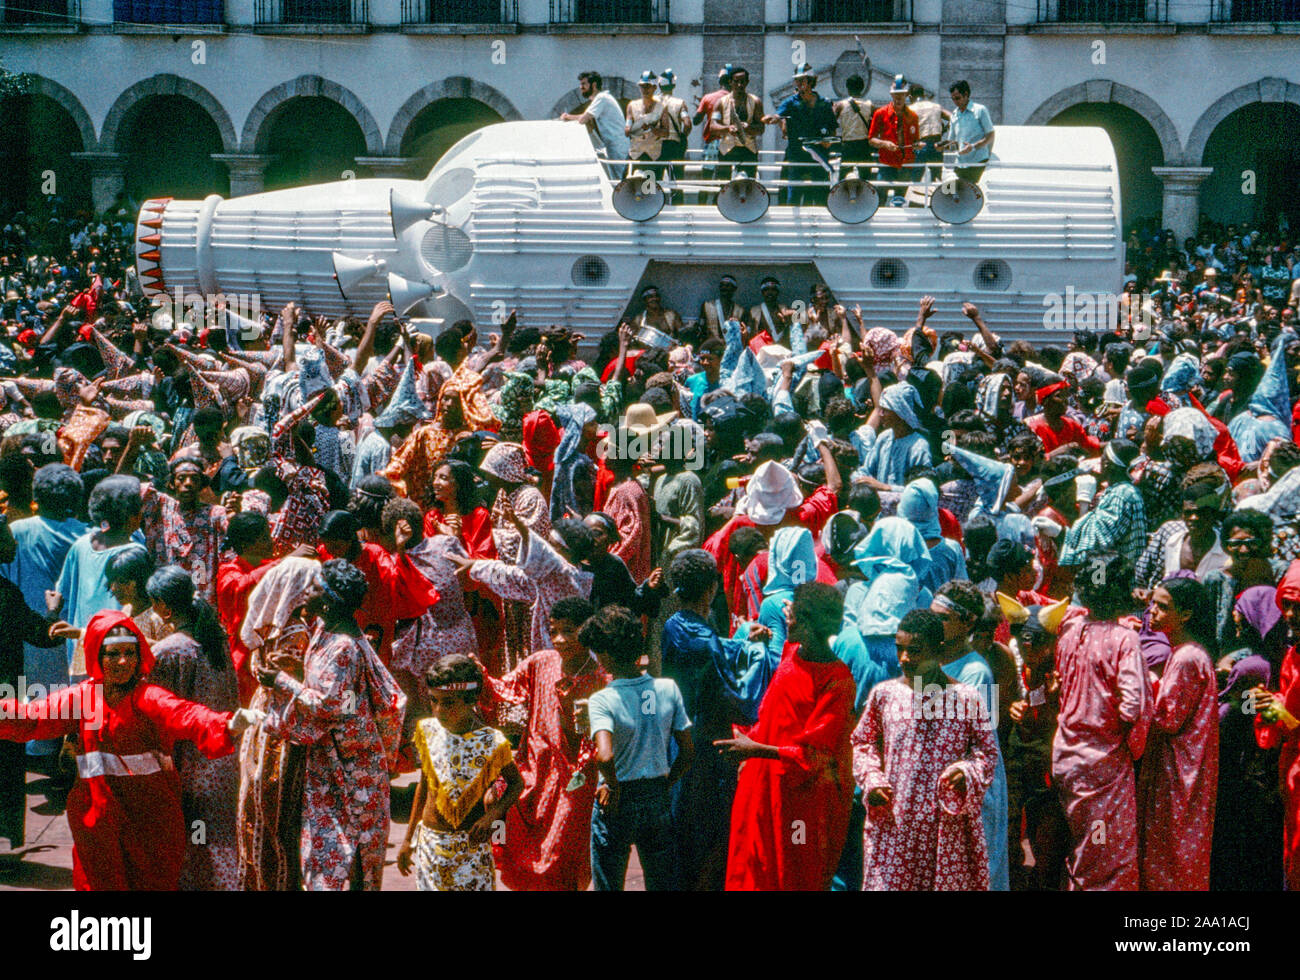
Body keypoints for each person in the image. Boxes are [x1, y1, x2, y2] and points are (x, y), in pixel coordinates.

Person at [0, 609, 259, 890]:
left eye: (129, 653)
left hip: (149, 818)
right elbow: (34, 717)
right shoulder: (84, 697)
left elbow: (183, 714)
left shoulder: (147, 697)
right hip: (96, 817)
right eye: (113, 654)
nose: (122, 661)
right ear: (98, 656)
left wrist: (226, 724)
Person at [255, 559, 406, 890]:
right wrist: (296, 672)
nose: (305, 592)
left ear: (327, 600)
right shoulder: (326, 630)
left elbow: (331, 705)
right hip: (331, 761)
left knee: (351, 852)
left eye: (313, 588)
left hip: (352, 767)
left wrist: (281, 681)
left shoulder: (344, 647)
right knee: (330, 849)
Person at [719, 582, 857, 890]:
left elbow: (816, 755)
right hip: (763, 784)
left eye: (792, 615)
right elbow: (772, 712)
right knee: (753, 863)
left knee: (794, 868)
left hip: (801, 801)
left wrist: (755, 749)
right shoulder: (791, 652)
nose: (786, 619)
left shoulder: (838, 681)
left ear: (808, 623)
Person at [855, 607, 999, 890]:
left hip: (945, 832)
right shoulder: (884, 695)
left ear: (938, 649)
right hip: (896, 827)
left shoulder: (967, 698)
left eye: (915, 650)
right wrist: (872, 780)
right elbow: (863, 742)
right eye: (900, 649)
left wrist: (966, 772)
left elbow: (988, 753)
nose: (904, 658)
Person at [1052, 552, 1153, 890]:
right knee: (1105, 854)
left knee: (1086, 845)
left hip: (1067, 758)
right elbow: (1133, 707)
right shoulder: (1124, 639)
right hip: (1103, 765)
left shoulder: (1069, 632)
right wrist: (1131, 746)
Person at [145, 565, 241, 890]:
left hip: (189, 768)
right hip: (224, 760)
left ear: (164, 608)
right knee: (219, 841)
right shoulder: (216, 638)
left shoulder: (168, 652)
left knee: (194, 842)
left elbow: (155, 709)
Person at [585, 605, 694, 891]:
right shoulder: (668, 688)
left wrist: (612, 784)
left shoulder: (602, 700)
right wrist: (667, 783)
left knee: (608, 881)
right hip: (656, 792)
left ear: (605, 655)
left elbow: (605, 756)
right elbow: (687, 751)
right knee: (662, 880)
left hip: (618, 797)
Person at [398, 655, 522, 891]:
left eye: (448, 703)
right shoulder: (427, 731)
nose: (439, 710)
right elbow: (425, 787)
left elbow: (516, 784)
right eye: (434, 700)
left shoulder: (491, 742)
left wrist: (492, 815)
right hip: (430, 845)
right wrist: (407, 840)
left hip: (471, 849)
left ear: (470, 700)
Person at [236, 556, 320, 891]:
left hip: (261, 720)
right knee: (281, 814)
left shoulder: (267, 628)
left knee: (255, 807)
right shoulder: (298, 633)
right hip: (284, 727)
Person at [1139, 577, 1219, 890]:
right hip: (1185, 768)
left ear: (1185, 615)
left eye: (1162, 606)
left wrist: (1143, 681)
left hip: (1179, 773)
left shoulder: (1186, 657)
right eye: (1152, 604)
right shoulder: (1188, 652)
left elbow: (1167, 719)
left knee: (1172, 847)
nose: (1152, 611)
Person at [931, 580, 1010, 890]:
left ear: (966, 624)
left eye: (943, 618)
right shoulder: (932, 661)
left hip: (970, 786)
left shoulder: (975, 672)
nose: (934, 624)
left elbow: (972, 739)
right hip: (940, 783)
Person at [0, 514, 63, 850]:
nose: (14, 544)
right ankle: (8, 837)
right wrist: (53, 612)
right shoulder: (6, 594)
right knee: (7, 765)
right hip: (6, 696)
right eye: (7, 538)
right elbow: (42, 635)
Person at [1252, 559, 1300, 891]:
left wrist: (1281, 711)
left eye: (1299, 606)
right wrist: (1266, 706)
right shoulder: (1292, 656)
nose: (1292, 615)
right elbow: (1285, 715)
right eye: (1288, 605)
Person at [767, 64, 837, 206]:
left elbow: (832, 128)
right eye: (797, 80)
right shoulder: (790, 103)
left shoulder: (824, 103)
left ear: (811, 81)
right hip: (796, 154)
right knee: (794, 193)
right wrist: (772, 119)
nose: (798, 83)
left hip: (819, 154)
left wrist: (828, 141)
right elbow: (778, 115)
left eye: (802, 80)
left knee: (820, 193)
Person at [561, 71, 629, 175]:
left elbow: (583, 119)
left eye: (584, 84)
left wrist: (567, 117)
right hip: (613, 146)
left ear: (594, 85)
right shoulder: (601, 99)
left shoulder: (602, 98)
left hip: (617, 146)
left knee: (620, 178)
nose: (580, 87)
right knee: (617, 178)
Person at [869, 75, 920, 204]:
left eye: (902, 94)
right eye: (896, 94)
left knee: (900, 199)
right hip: (887, 163)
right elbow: (871, 139)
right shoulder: (880, 113)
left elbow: (915, 140)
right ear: (891, 95)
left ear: (906, 95)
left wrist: (918, 145)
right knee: (880, 198)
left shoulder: (913, 116)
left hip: (906, 164)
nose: (899, 98)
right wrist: (885, 143)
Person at [716, 67, 764, 181]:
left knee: (748, 185)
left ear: (747, 82)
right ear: (730, 82)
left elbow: (761, 128)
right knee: (723, 186)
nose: (739, 85)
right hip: (726, 150)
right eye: (736, 81)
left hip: (748, 151)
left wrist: (749, 128)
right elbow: (713, 126)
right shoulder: (720, 102)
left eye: (743, 81)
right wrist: (727, 129)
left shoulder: (756, 101)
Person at [942, 79, 995, 183]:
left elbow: (990, 135)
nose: (955, 102)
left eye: (958, 98)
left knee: (970, 190)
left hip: (977, 162)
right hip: (960, 162)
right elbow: (952, 142)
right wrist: (941, 146)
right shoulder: (954, 114)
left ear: (966, 94)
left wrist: (973, 147)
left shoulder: (980, 110)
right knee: (949, 189)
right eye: (953, 99)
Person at [834, 74, 874, 167]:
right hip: (863, 144)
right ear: (862, 88)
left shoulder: (841, 105)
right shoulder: (869, 105)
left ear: (848, 88)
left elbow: (831, 121)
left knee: (845, 173)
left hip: (848, 145)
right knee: (865, 173)